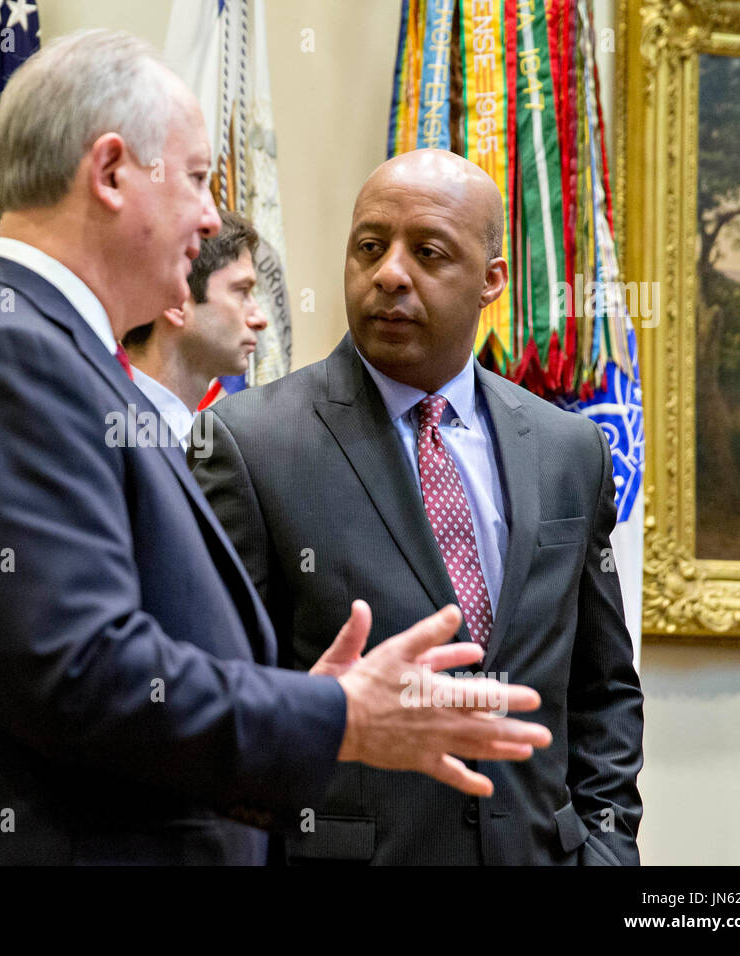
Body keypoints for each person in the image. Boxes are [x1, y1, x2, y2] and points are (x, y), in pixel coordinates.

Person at [0, 32, 552, 866]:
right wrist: (337, 717)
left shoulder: (51, 354)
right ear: (113, 173)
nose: (212, 217)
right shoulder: (6, 358)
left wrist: (311, 700)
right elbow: (78, 673)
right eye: (194, 178)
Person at [191, 148, 645, 865]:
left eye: (427, 252)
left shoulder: (570, 451)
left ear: (492, 280)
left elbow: (604, 687)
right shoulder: (249, 445)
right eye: (369, 247)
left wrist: (608, 848)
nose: (389, 273)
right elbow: (212, 699)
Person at [121, 208, 267, 449]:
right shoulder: (106, 429)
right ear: (175, 301)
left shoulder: (206, 440)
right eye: (242, 291)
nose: (260, 319)